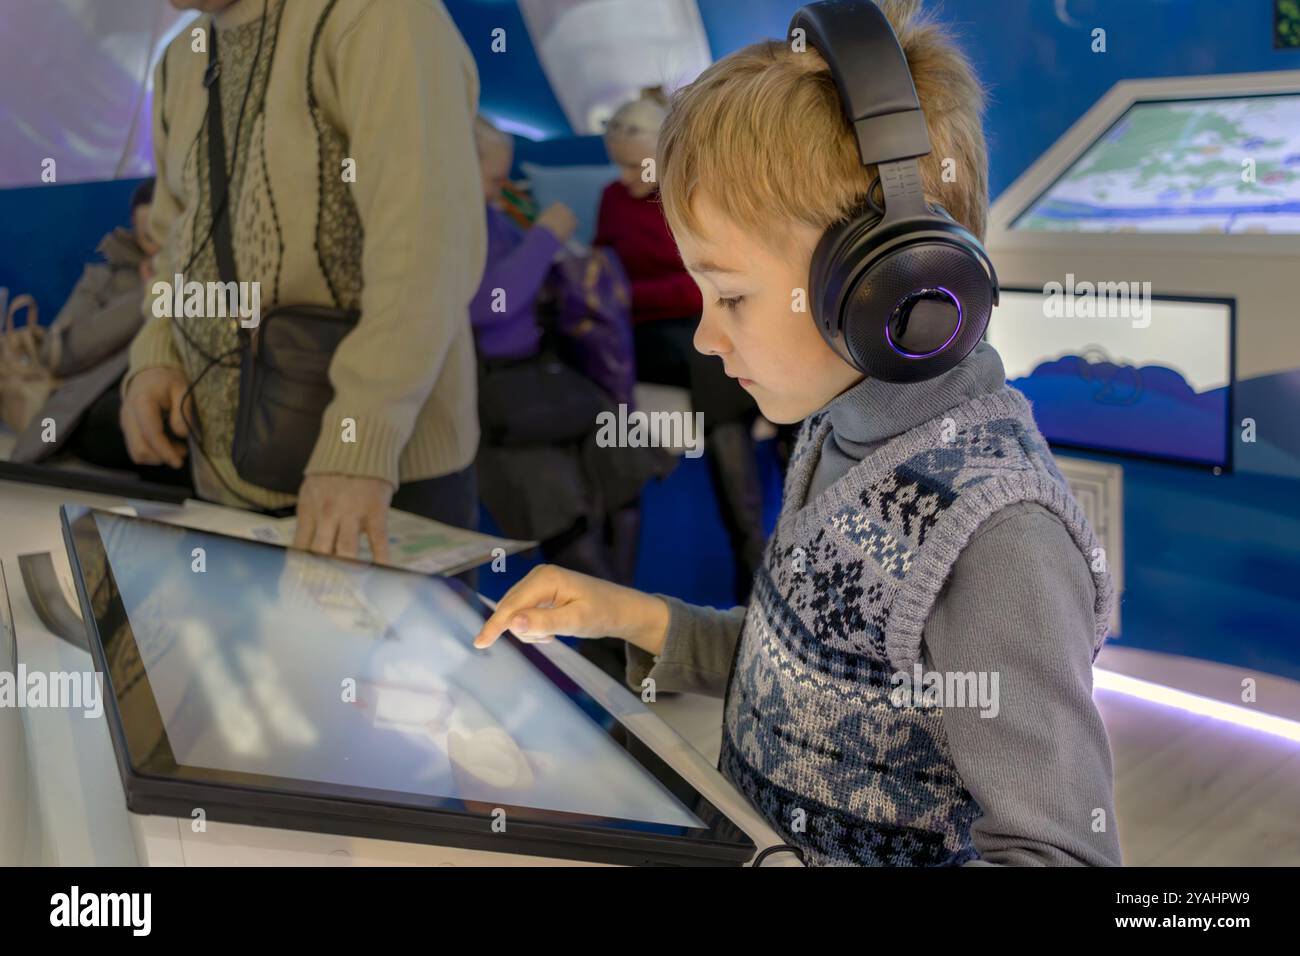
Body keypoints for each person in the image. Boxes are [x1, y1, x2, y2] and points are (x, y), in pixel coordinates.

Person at [474, 0, 1121, 867]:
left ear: (882, 282)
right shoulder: (839, 431)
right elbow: (807, 674)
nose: (706, 336)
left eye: (730, 295)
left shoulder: (997, 536)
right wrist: (630, 613)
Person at [121, 0, 485, 564]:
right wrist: (156, 355)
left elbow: (424, 249)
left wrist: (358, 445)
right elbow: (175, 241)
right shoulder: (181, 57)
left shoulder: (378, 16)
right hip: (226, 481)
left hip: (379, 483)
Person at [469, 116, 672, 681]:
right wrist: (547, 235)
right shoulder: (453, 222)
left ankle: (623, 629)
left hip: (548, 376)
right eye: (492, 179)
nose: (502, 189)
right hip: (497, 394)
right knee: (561, 502)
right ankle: (611, 657)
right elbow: (492, 305)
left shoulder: (498, 213)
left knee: (623, 465)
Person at [594, 89, 767, 604]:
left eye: (632, 167)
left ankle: (752, 549)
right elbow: (606, 283)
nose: (623, 179)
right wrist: (650, 294)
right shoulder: (611, 199)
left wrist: (640, 292)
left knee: (711, 357)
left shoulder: (693, 195)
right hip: (643, 336)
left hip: (696, 328)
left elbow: (710, 284)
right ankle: (750, 545)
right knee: (710, 364)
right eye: (618, 167)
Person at [10, 179, 189, 487]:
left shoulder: (201, 283)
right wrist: (147, 297)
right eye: (149, 237)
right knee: (133, 417)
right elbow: (62, 353)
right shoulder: (103, 279)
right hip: (95, 406)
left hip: (176, 395)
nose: (158, 247)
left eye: (166, 235)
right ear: (135, 234)